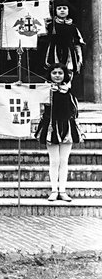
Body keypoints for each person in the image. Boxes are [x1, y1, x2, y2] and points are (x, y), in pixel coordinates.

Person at [36, 63, 81, 202]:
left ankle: (63, 190)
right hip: (51, 127)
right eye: (54, 73)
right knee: (54, 161)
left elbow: (74, 109)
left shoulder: (69, 90)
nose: (57, 75)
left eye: (60, 73)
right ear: (49, 74)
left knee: (64, 160)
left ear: (64, 74)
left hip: (67, 126)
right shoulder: (46, 90)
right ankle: (54, 190)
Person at [44, 0, 85, 82]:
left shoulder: (72, 27)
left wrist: (79, 58)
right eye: (59, 8)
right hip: (54, 51)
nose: (62, 10)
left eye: (64, 8)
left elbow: (77, 43)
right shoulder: (51, 25)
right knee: (55, 70)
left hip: (69, 52)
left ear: (68, 10)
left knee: (69, 70)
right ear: (55, 11)